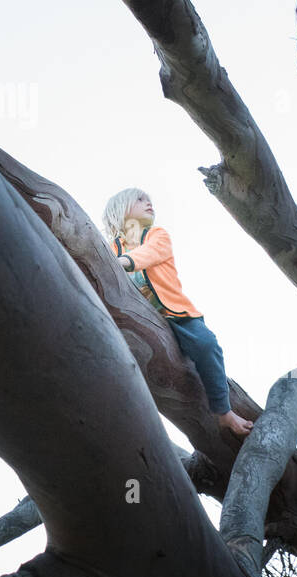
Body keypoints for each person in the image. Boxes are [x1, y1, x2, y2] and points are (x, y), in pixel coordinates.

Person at [103, 187, 253, 437]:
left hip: (175, 315)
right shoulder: (110, 248)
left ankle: (223, 412)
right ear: (121, 209)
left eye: (149, 198)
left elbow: (147, 256)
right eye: (140, 199)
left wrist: (118, 264)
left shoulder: (156, 235)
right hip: (133, 320)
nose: (149, 201)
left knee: (207, 345)